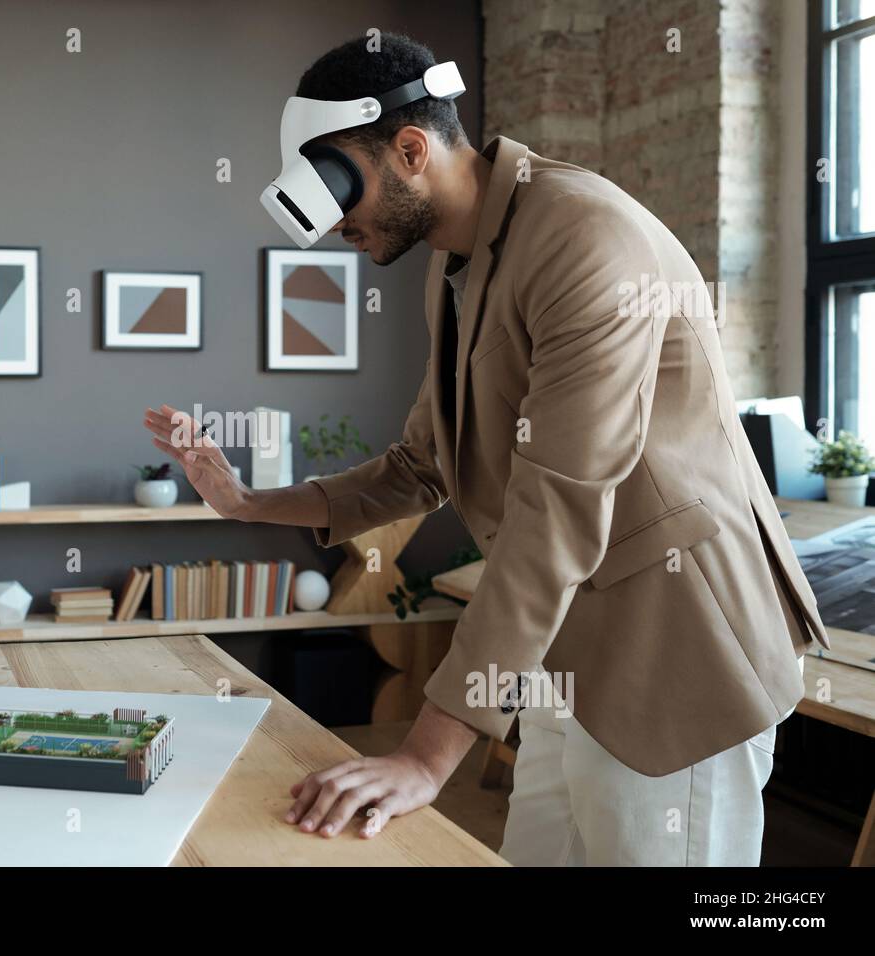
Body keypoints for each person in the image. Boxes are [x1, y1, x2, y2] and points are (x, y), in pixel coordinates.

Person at [143, 33, 825, 866]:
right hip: (562, 659)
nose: (337, 225)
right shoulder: (458, 263)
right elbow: (422, 463)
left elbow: (558, 513)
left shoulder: (584, 239)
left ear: (409, 148)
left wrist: (427, 757)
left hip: (674, 663)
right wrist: (251, 503)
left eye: (339, 185)